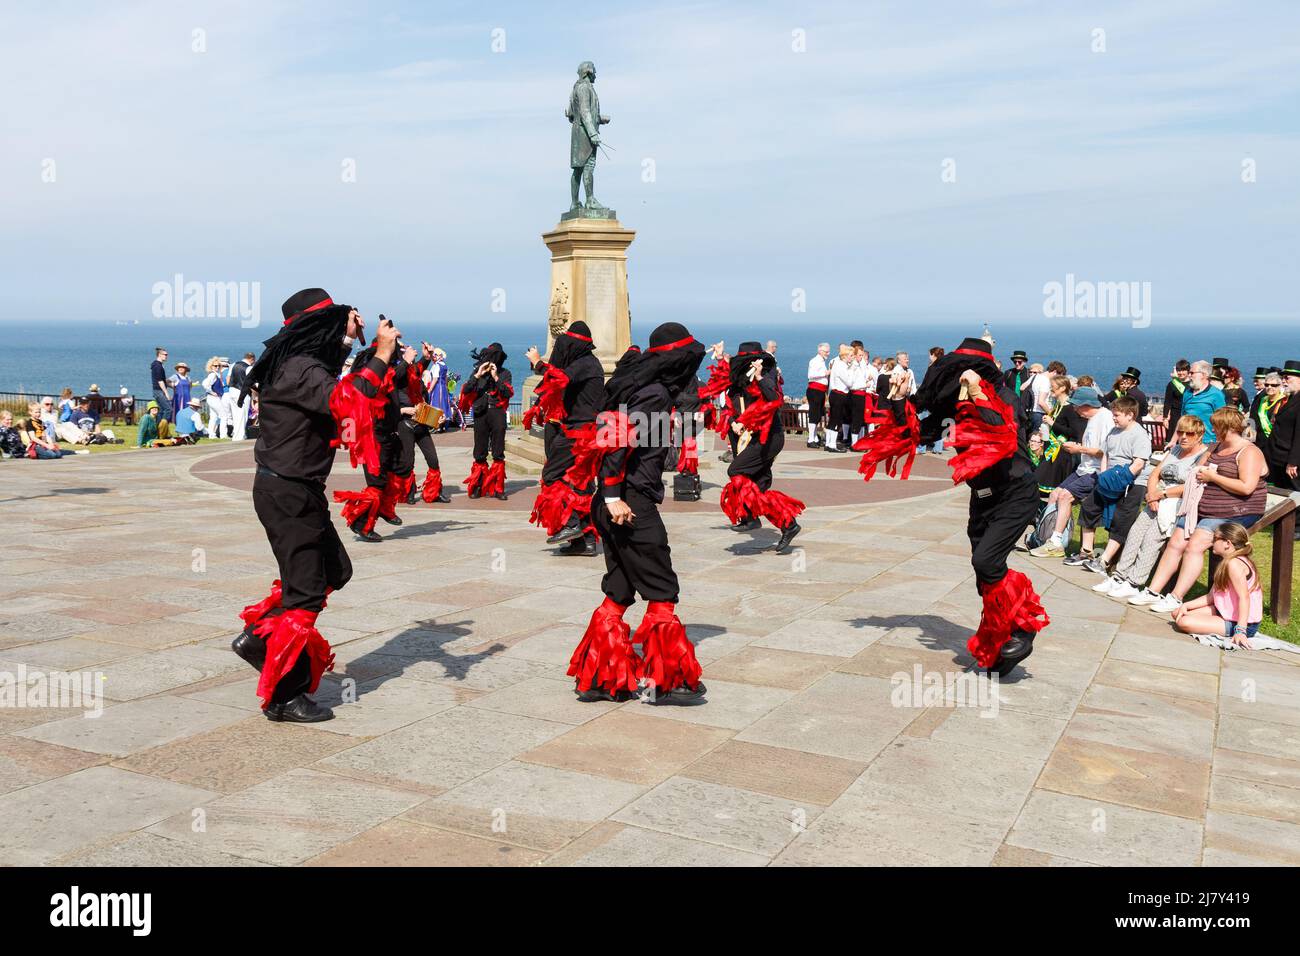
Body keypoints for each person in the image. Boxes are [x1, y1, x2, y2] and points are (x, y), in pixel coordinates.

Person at [230, 288, 398, 723]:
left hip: (296, 490)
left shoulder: (300, 364)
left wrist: (350, 341)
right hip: (287, 492)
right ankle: (284, 697)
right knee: (305, 593)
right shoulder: (298, 368)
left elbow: (338, 381)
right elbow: (347, 401)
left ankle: (258, 639)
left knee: (335, 570)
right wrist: (380, 351)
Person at [856, 336, 1049, 676]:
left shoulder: (1005, 397)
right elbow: (915, 433)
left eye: (971, 371)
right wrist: (900, 400)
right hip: (983, 499)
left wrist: (978, 394)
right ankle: (999, 641)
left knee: (986, 561)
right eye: (960, 371)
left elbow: (1002, 433)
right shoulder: (955, 409)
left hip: (1016, 494)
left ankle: (1025, 626)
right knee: (984, 578)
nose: (963, 377)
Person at [567, 322, 708, 705]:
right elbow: (617, 440)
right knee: (663, 588)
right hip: (629, 504)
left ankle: (600, 676)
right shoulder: (656, 393)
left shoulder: (635, 386)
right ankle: (668, 680)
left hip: (613, 502)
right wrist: (614, 496)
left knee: (619, 589)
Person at [1133, 408, 1268, 613]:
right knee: (1176, 541)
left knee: (1194, 544)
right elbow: (1194, 472)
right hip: (1204, 506)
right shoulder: (1214, 448)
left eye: (1215, 426)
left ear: (1228, 428)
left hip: (1236, 510)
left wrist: (1214, 477)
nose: (1212, 430)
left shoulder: (1249, 452)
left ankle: (1176, 596)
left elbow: (1246, 487)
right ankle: (1153, 591)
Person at [1094, 415, 1208, 599]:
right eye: (1180, 432)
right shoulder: (1176, 449)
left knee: (1151, 540)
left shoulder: (1202, 455)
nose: (1184, 437)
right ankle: (1119, 576)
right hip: (1157, 498)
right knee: (1135, 534)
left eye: (1190, 433)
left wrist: (1161, 495)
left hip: (1176, 503)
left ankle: (1134, 582)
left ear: (1200, 435)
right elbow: (1155, 473)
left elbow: (1192, 485)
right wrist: (1152, 494)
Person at [717, 341, 805, 553]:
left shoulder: (766, 377)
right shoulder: (739, 383)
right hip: (751, 439)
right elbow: (729, 405)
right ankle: (755, 519)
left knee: (736, 471)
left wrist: (759, 376)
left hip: (769, 439)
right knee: (758, 486)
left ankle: (784, 523)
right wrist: (733, 423)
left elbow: (773, 399)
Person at [526, 321, 604, 555]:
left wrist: (539, 363)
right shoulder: (588, 364)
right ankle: (585, 542)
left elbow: (560, 378)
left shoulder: (584, 364)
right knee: (580, 486)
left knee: (551, 475)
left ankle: (570, 524)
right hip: (585, 433)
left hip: (577, 434)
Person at [333, 337, 413, 542]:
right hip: (374, 438)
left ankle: (386, 508)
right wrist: (405, 361)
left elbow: (401, 378)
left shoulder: (388, 370)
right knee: (377, 483)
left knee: (403, 468)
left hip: (390, 433)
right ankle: (361, 524)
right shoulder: (375, 373)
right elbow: (386, 381)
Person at [1067, 395, 1151, 572]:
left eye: (1117, 415)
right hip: (1109, 479)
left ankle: (1104, 560)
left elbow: (1138, 464)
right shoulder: (1113, 431)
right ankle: (1086, 552)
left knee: (1121, 520)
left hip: (1132, 483)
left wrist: (1120, 481)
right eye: (1113, 414)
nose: (1113, 418)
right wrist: (1104, 477)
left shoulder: (1140, 435)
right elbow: (1106, 454)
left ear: (1130, 415)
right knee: (1089, 507)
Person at [1029, 386, 1113, 557]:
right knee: (1054, 494)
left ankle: (1057, 542)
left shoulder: (1105, 419)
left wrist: (1079, 449)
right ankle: (1045, 536)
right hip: (1084, 468)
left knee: (1065, 496)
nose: (1074, 409)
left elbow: (1106, 452)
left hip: (1095, 470)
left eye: (1076, 406)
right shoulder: (1092, 418)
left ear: (1087, 405)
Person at [1170, 522, 1263, 649]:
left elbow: (1244, 597)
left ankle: (1235, 629)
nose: (1212, 542)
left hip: (1241, 622)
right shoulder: (1227, 563)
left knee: (1184, 622)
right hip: (1224, 612)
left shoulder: (1234, 564)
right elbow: (1211, 597)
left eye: (1215, 538)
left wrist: (1241, 630)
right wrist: (1186, 605)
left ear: (1227, 543)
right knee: (1177, 613)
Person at [396, 342, 452, 508]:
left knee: (433, 459)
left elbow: (424, 401)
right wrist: (404, 410)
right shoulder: (395, 377)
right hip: (405, 425)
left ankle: (434, 492)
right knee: (408, 461)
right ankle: (409, 492)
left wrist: (435, 418)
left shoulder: (416, 379)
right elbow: (397, 376)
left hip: (420, 424)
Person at [459, 343, 513, 500]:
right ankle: (478, 486)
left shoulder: (505, 373)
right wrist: (478, 374)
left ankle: (498, 487)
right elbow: (467, 389)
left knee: (498, 451)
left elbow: (507, 392)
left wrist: (496, 377)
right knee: (480, 451)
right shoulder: (478, 372)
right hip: (481, 413)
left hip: (497, 413)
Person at [1264, 360, 1300, 491]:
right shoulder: (1291, 398)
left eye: (1287, 378)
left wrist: (1294, 462)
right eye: (1283, 377)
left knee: (1295, 495)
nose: (1284, 381)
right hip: (1278, 457)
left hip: (1290, 461)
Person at [1177, 360, 1225, 444]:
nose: (1189, 375)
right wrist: (1174, 441)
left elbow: (1223, 421)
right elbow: (1182, 419)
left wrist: (1218, 444)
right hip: (1187, 442)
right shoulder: (1187, 392)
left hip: (1207, 443)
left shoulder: (1216, 394)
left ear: (1204, 375)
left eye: (1192, 373)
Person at [823, 343, 853, 453]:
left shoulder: (836, 364)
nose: (852, 357)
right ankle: (832, 444)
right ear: (845, 356)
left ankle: (829, 443)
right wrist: (852, 372)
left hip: (834, 394)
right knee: (837, 420)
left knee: (833, 419)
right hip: (840, 394)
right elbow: (849, 382)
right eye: (850, 355)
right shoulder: (842, 366)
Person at [805, 342, 831, 447]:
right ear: (820, 351)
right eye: (826, 351)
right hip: (815, 390)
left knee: (818, 415)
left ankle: (815, 437)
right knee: (814, 414)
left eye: (828, 351)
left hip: (820, 391)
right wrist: (825, 373)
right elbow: (810, 375)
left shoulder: (821, 362)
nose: (828, 353)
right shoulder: (815, 361)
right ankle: (811, 439)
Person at [226, 353, 255, 441]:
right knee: (243, 415)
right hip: (242, 393)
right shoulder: (249, 368)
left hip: (232, 391)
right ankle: (240, 436)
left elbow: (228, 380)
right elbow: (251, 383)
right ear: (252, 359)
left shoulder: (234, 364)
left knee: (235, 414)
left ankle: (235, 435)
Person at [203, 357, 228, 438]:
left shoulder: (216, 374)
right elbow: (205, 384)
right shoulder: (213, 374)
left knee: (213, 417)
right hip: (214, 398)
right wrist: (211, 392)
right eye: (215, 366)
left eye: (219, 366)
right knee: (224, 416)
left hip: (212, 398)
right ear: (211, 366)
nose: (217, 367)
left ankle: (211, 434)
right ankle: (223, 435)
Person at [1163, 359, 1190, 434]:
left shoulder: (1193, 384)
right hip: (1175, 415)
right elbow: (1167, 402)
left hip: (1188, 414)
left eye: (1183, 370)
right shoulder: (1172, 384)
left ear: (1188, 371)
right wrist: (1165, 418)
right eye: (1178, 370)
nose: (1180, 373)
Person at [150, 347, 172, 420]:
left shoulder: (158, 365)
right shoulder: (157, 366)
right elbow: (160, 381)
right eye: (165, 354)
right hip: (159, 391)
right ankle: (163, 427)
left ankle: (158, 428)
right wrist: (166, 393)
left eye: (167, 355)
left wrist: (170, 384)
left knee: (162, 411)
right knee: (168, 409)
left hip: (158, 391)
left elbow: (161, 379)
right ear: (159, 354)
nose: (166, 356)